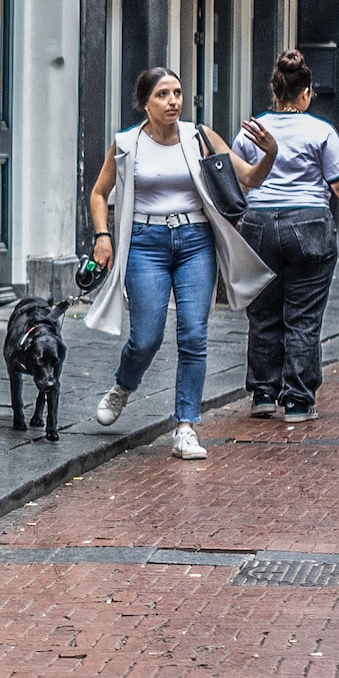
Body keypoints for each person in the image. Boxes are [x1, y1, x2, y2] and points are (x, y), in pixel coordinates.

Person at [81, 68, 277, 460]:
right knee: (146, 337)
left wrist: (269, 153)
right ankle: (124, 385)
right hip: (145, 244)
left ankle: (185, 426)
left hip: (195, 242)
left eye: (177, 92)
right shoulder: (127, 143)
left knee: (193, 335)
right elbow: (99, 193)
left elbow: (250, 178)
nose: (173, 101)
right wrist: (103, 236)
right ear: (144, 103)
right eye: (162, 94)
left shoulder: (199, 137)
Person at [234, 51, 339, 422]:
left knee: (262, 312)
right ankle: (298, 400)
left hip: (258, 226)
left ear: (275, 91)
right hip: (308, 224)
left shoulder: (251, 131)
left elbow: (239, 182)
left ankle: (263, 393)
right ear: (305, 93)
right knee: (303, 316)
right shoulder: (321, 131)